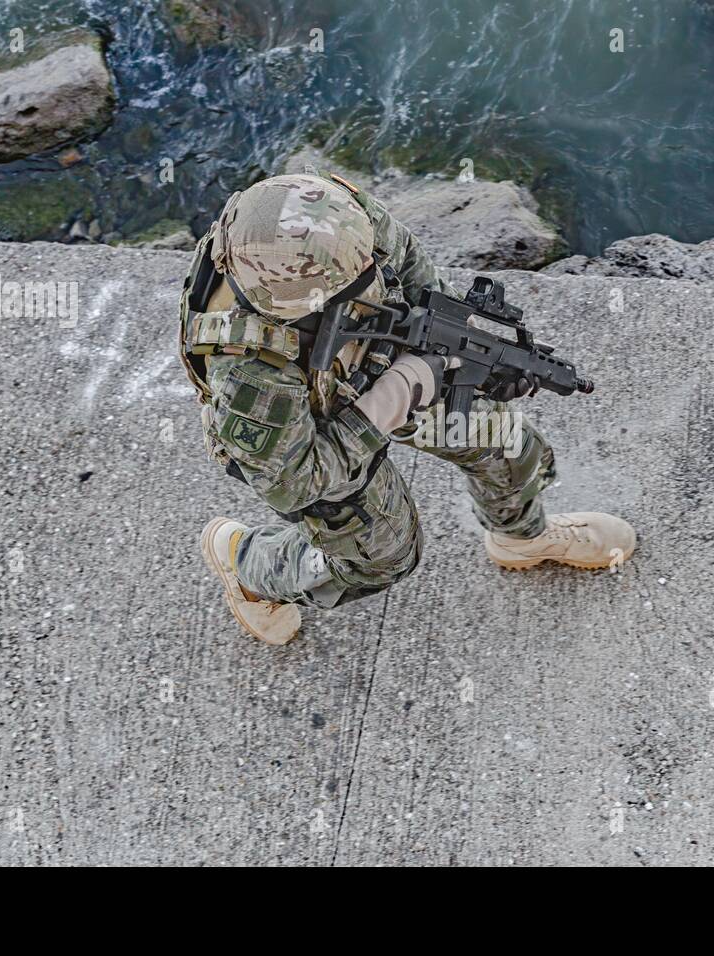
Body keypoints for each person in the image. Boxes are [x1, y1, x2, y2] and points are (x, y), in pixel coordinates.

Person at [178, 172, 635, 644]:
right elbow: (298, 482)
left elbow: (406, 259)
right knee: (381, 559)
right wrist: (394, 397)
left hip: (376, 354)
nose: (368, 271)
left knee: (507, 444)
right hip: (308, 431)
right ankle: (249, 567)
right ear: (301, 298)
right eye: (352, 280)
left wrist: (455, 343)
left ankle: (523, 537)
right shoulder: (251, 376)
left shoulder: (328, 216)